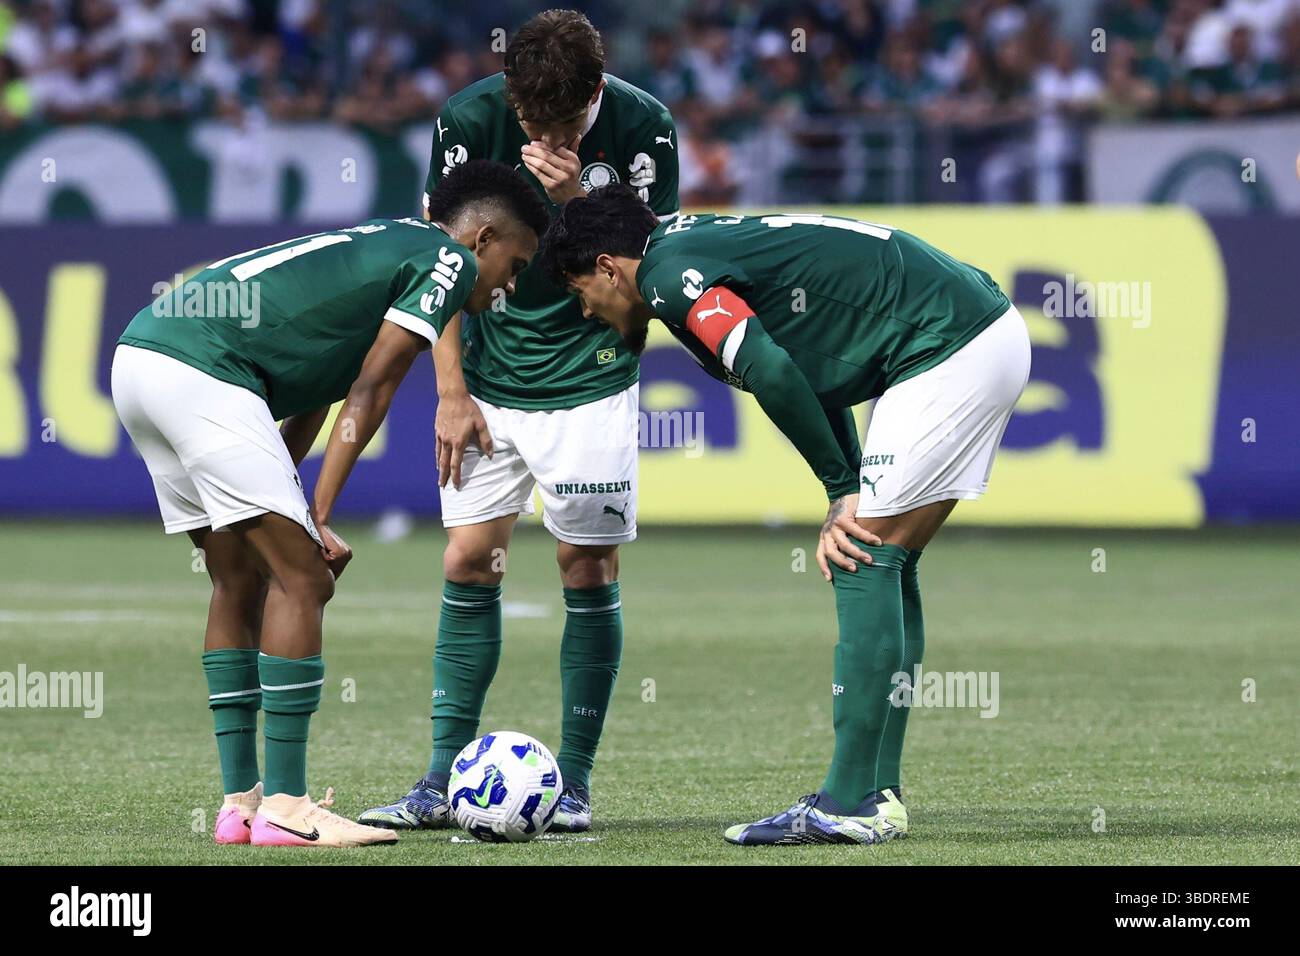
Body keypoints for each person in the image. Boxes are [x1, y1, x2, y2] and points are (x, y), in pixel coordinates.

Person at [539, 186, 1031, 846]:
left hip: (951, 345)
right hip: (972, 331)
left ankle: (851, 800)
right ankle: (875, 792)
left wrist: (839, 489)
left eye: (580, 292)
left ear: (607, 266)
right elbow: (800, 364)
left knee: (861, 557)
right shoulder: (685, 248)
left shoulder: (663, 276)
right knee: (886, 562)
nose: (588, 310)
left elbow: (769, 368)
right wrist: (848, 483)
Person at [111, 160, 546, 848]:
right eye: (515, 263)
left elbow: (320, 390)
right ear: (482, 238)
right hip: (203, 371)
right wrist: (316, 517)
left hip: (142, 357)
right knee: (304, 579)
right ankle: (288, 806)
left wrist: (299, 505)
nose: (510, 284)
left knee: (240, 576)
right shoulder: (445, 261)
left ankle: (241, 806)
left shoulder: (383, 248)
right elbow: (373, 389)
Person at [359, 9, 679, 835]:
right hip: (491, 378)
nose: (542, 134)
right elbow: (442, 258)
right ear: (510, 93)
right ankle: (437, 781)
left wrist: (577, 197)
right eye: (532, 122)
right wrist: (450, 389)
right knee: (468, 561)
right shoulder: (468, 122)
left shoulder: (646, 128)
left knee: (585, 567)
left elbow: (653, 277)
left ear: (596, 97)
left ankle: (572, 785)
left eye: (563, 124)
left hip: (593, 373)